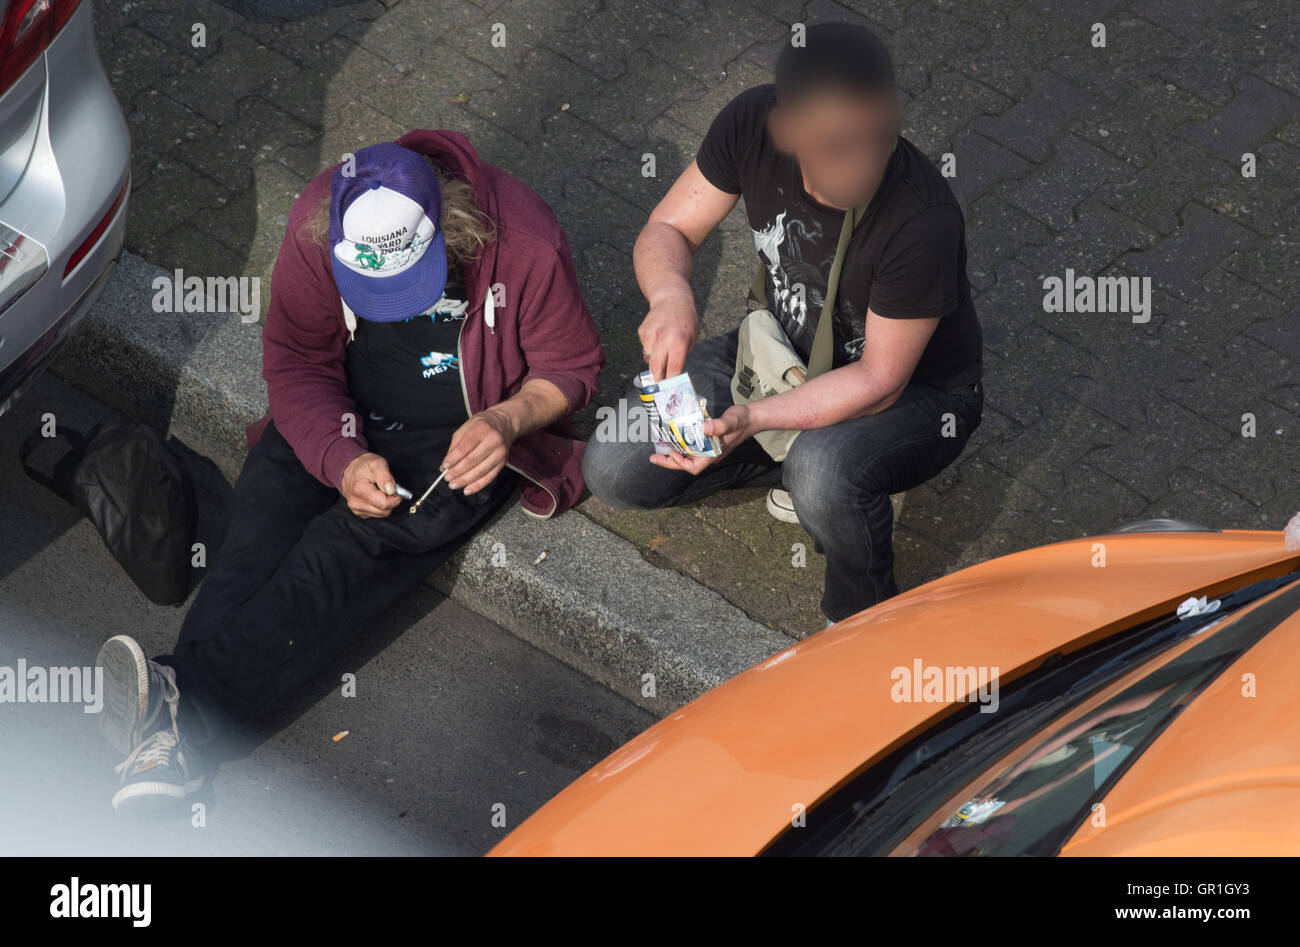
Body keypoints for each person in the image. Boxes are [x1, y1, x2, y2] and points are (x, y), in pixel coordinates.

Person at [94, 132, 602, 811]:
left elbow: (571, 369)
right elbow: (297, 362)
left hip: (459, 438)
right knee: (260, 523)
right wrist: (342, 457)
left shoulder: (526, 240)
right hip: (340, 413)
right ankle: (180, 727)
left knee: (340, 555)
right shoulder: (315, 224)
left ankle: (180, 714)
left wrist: (507, 422)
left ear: (454, 223)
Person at [582, 23, 984, 626]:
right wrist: (670, 298)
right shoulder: (749, 124)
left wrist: (754, 418)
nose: (863, 163)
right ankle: (781, 455)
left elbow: (881, 378)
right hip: (777, 353)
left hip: (917, 398)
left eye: (877, 139)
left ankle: (862, 618)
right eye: (837, 145)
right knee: (614, 467)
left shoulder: (923, 219)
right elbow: (669, 230)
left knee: (822, 472)